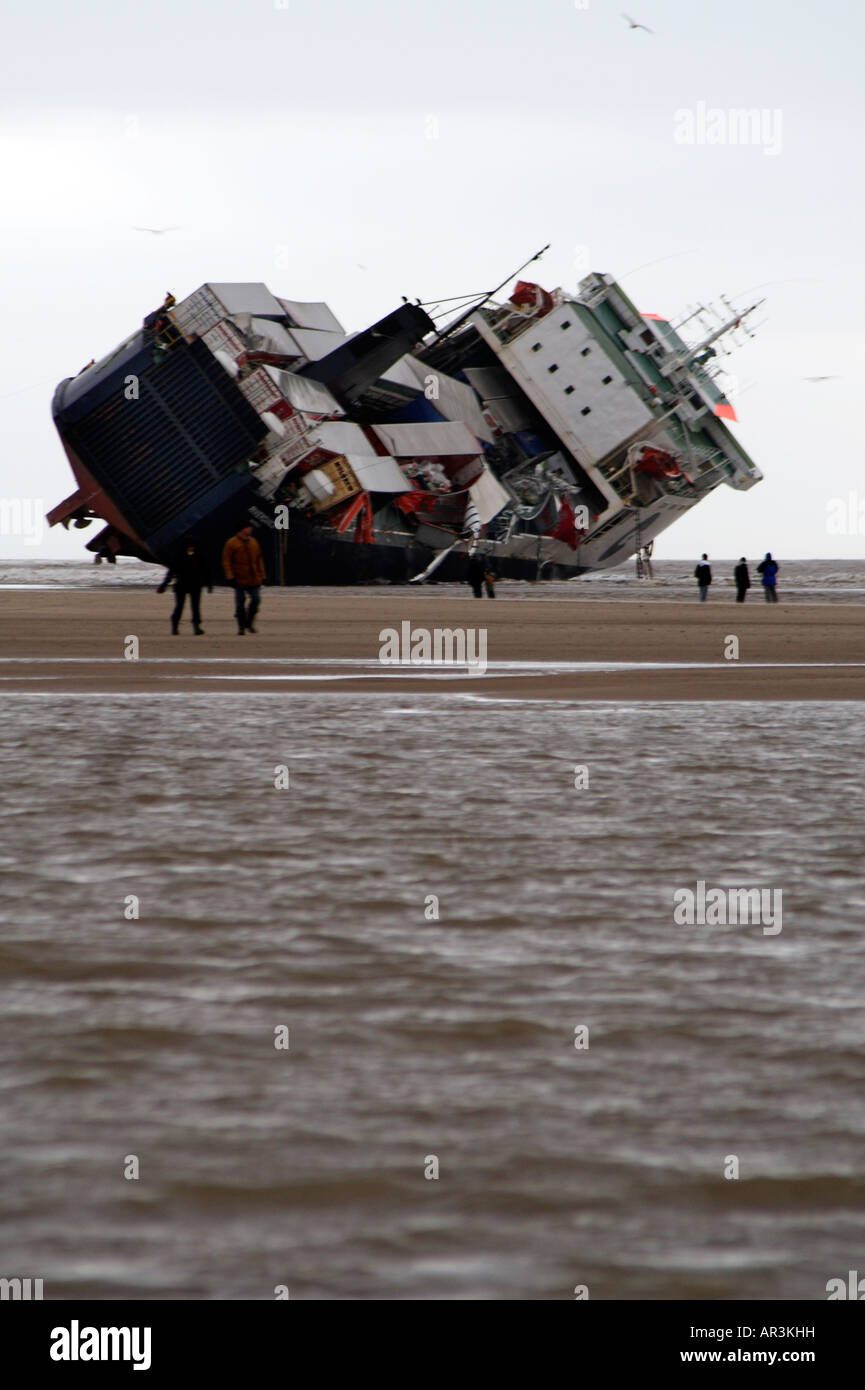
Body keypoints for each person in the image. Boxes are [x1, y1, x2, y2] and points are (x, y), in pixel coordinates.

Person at [157, 541, 211, 634]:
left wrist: (208, 584)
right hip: (182, 584)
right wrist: (164, 585)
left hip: (195, 584)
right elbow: (171, 572)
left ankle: (196, 627)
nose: (191, 548)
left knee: (195, 607)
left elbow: (205, 571)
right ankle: (175, 628)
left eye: (193, 546)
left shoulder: (198, 556)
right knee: (180, 606)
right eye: (189, 546)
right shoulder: (179, 557)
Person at [223, 523, 266, 633]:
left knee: (256, 600)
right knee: (240, 603)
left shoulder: (253, 542)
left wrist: (262, 575)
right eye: (248, 527)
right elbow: (226, 561)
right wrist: (230, 577)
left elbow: (259, 559)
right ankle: (241, 627)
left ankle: (249, 622)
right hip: (239, 578)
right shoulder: (231, 543)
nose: (250, 529)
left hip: (253, 578)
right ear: (242, 529)